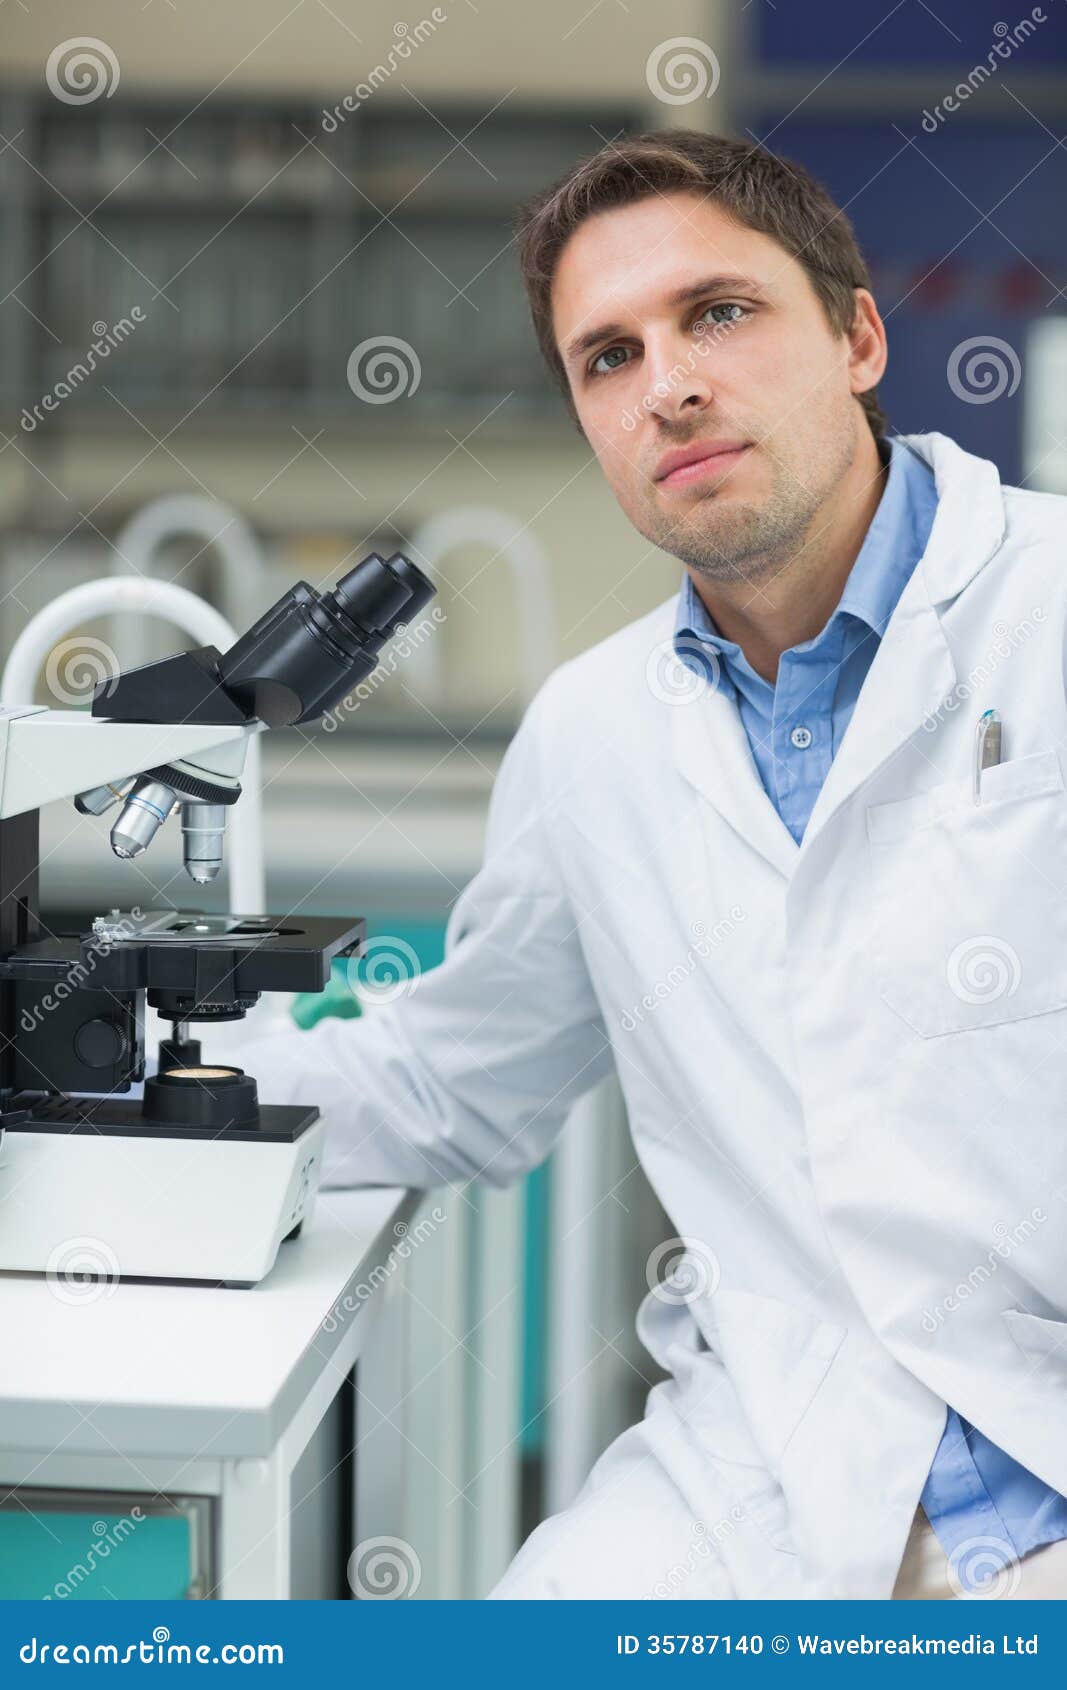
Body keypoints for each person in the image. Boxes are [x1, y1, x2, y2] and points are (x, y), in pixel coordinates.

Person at [245, 131, 1067, 1599]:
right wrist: (132, 1082)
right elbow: (454, 1075)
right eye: (608, 357)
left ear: (858, 338)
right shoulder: (593, 734)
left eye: (719, 314)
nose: (668, 386)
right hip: (772, 1471)